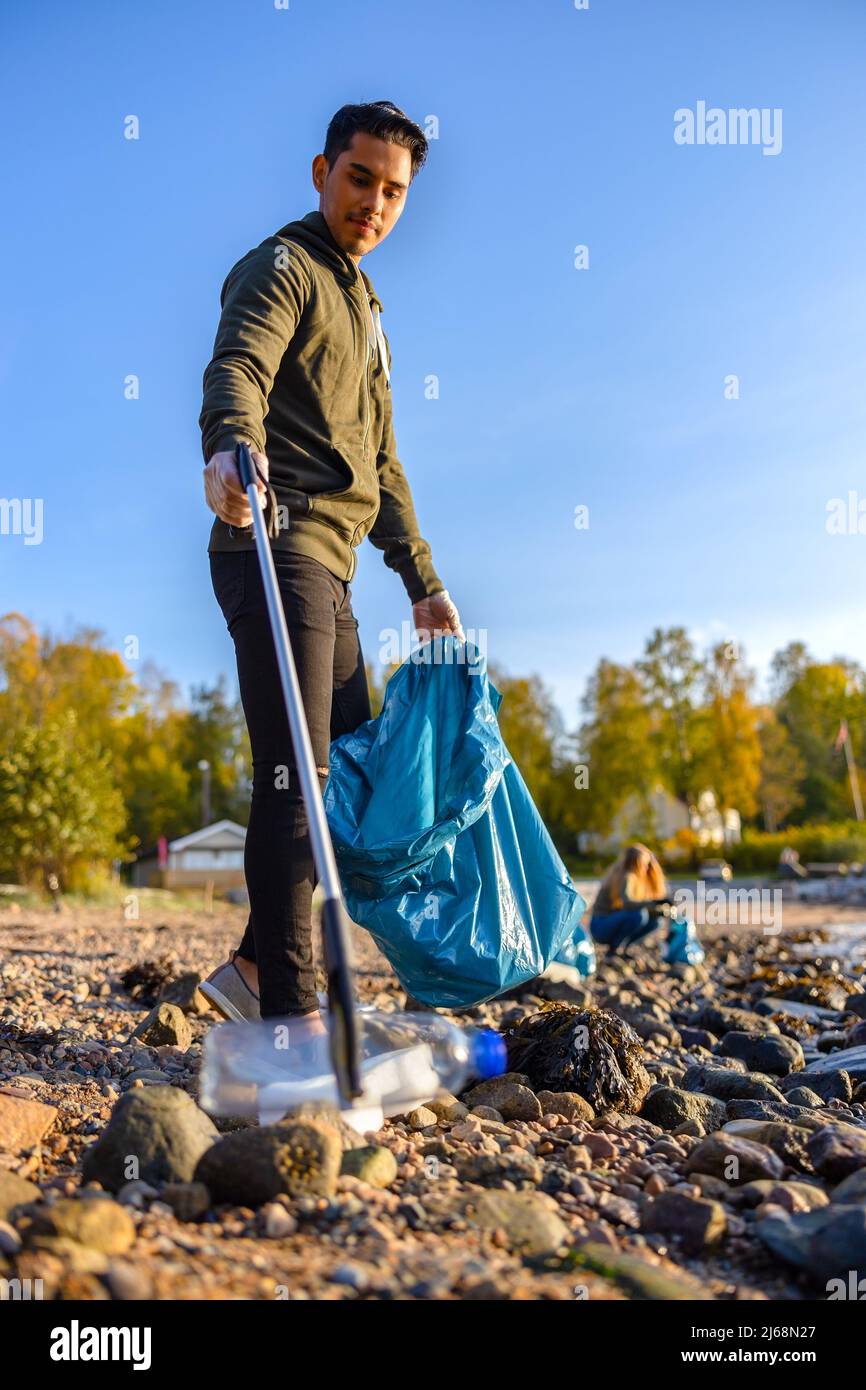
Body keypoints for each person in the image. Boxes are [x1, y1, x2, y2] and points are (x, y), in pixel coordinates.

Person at [198, 101, 464, 1034]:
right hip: (274, 544)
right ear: (322, 173)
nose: (375, 204)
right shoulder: (286, 268)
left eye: (394, 192)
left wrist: (422, 581)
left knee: (345, 787)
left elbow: (383, 459)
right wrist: (231, 446)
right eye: (362, 180)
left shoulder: (367, 306)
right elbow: (238, 367)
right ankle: (295, 1014)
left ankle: (249, 969)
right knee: (298, 781)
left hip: (334, 568)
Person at [589, 843, 704, 964]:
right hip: (600, 927)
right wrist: (654, 902)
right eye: (644, 864)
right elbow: (628, 905)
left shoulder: (632, 877)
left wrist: (661, 909)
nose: (646, 868)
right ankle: (615, 949)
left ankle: (622, 948)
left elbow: (637, 907)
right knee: (639, 916)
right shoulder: (626, 876)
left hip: (608, 925)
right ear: (636, 863)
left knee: (656, 922)